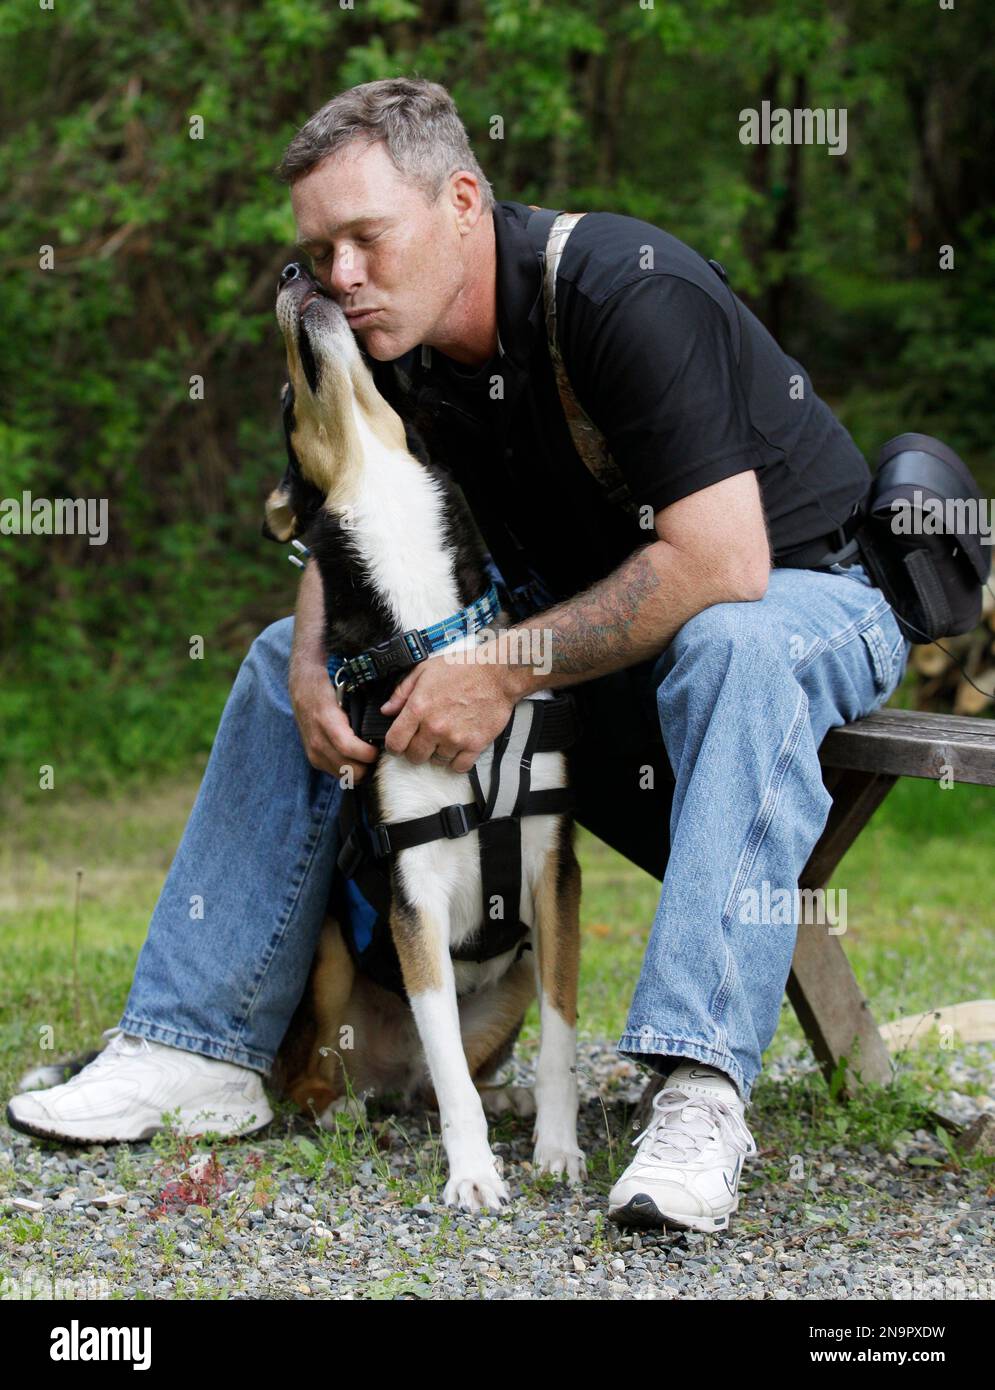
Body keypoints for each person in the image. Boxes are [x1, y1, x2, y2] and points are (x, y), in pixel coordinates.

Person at [8, 78, 910, 1234]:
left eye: (364, 238)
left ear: (463, 202)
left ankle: (696, 1090)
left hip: (795, 596)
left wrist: (502, 665)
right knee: (283, 648)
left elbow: (721, 562)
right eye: (318, 248)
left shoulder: (620, 291)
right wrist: (312, 651)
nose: (338, 275)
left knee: (730, 642)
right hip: (599, 633)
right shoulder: (401, 339)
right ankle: (199, 1047)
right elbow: (353, 489)